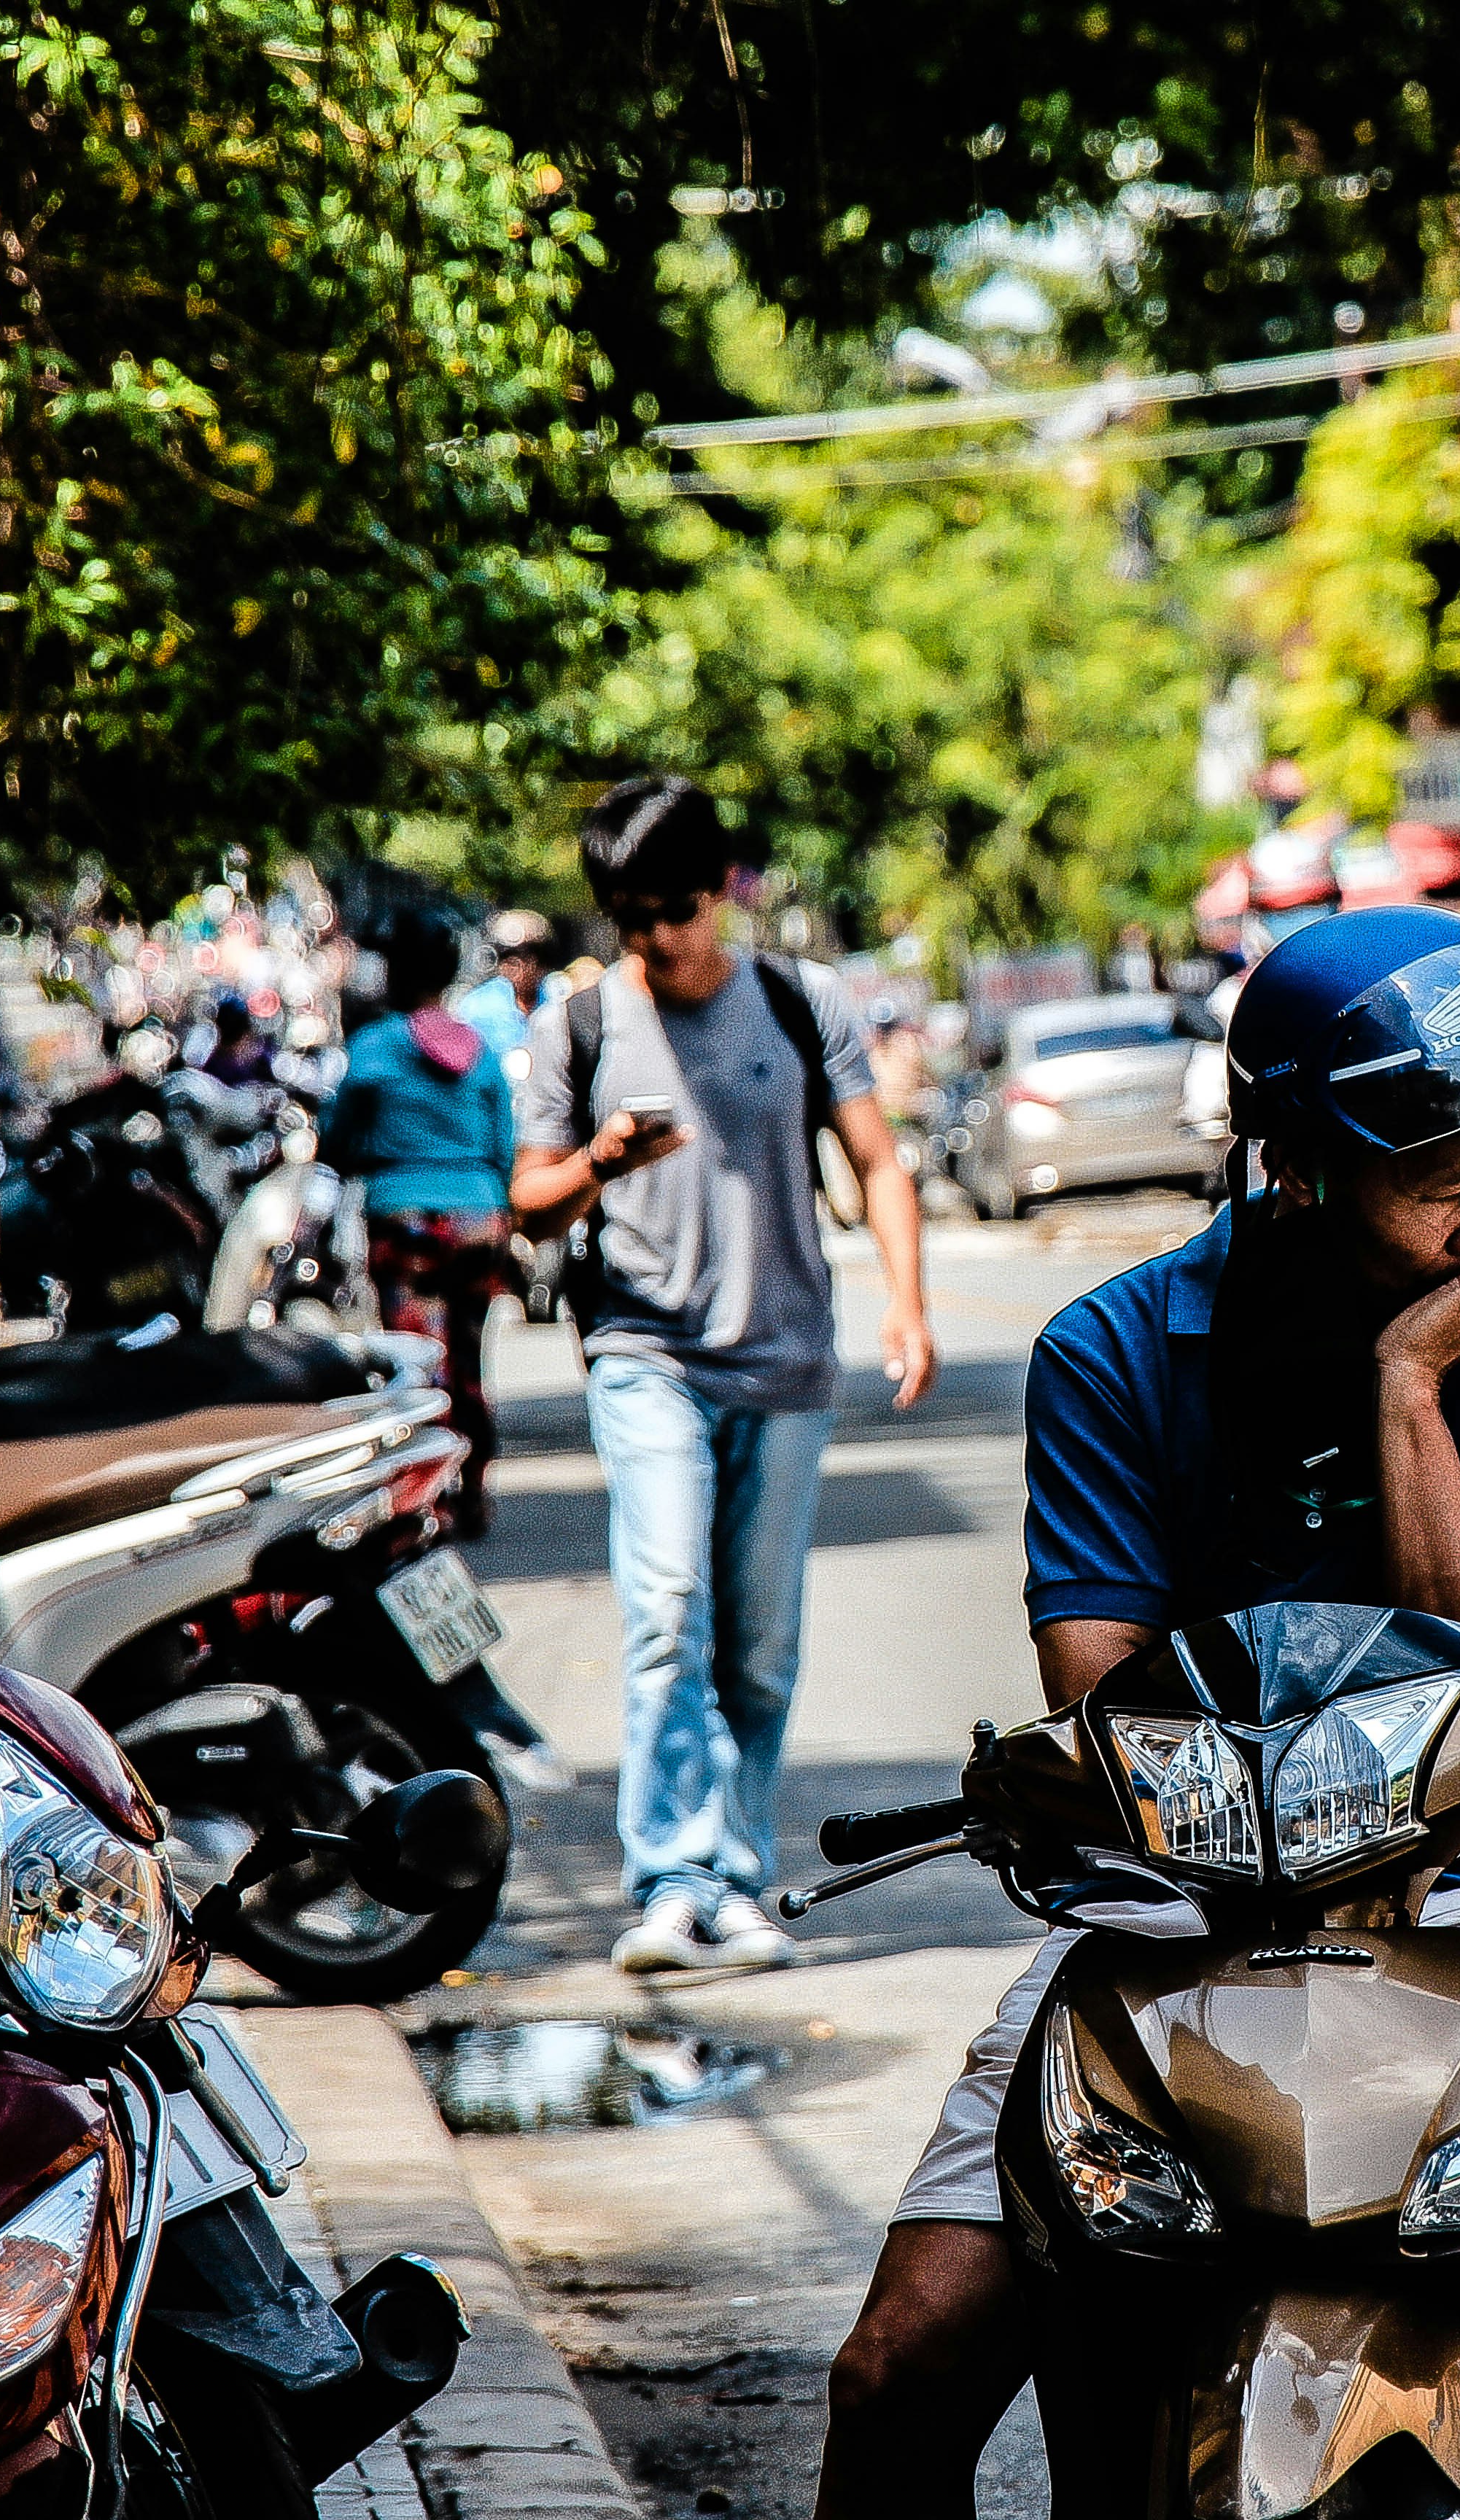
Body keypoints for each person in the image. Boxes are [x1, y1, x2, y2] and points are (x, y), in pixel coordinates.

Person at [817, 906, 1460, 2520]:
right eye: (1453, 1187)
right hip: (1168, 1902)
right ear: (1297, 1168)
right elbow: (1094, 1687)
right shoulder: (1111, 1350)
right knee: (898, 2367)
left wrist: (1410, 1394)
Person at [511, 777, 939, 1976]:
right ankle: (666, 1879)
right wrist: (601, 1156)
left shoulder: (802, 1003)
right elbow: (528, 1199)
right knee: (665, 1617)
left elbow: (876, 1159)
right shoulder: (580, 1027)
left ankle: (735, 1873)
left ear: (723, 887)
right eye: (631, 916)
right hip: (647, 1355)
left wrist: (905, 1303)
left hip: (787, 1359)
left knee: (756, 1644)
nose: (659, 936)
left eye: (678, 906)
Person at [327, 905, 520, 1537]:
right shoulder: (483, 1052)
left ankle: (424, 1501)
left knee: (420, 1364)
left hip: (406, 1222)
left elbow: (340, 1140)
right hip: (479, 1220)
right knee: (468, 1359)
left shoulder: (374, 1049)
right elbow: (503, 1146)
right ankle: (476, 1490)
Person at [457, 906, 558, 1068]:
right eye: (504, 955)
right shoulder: (476, 1007)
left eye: (524, 954)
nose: (513, 962)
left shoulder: (557, 1001)